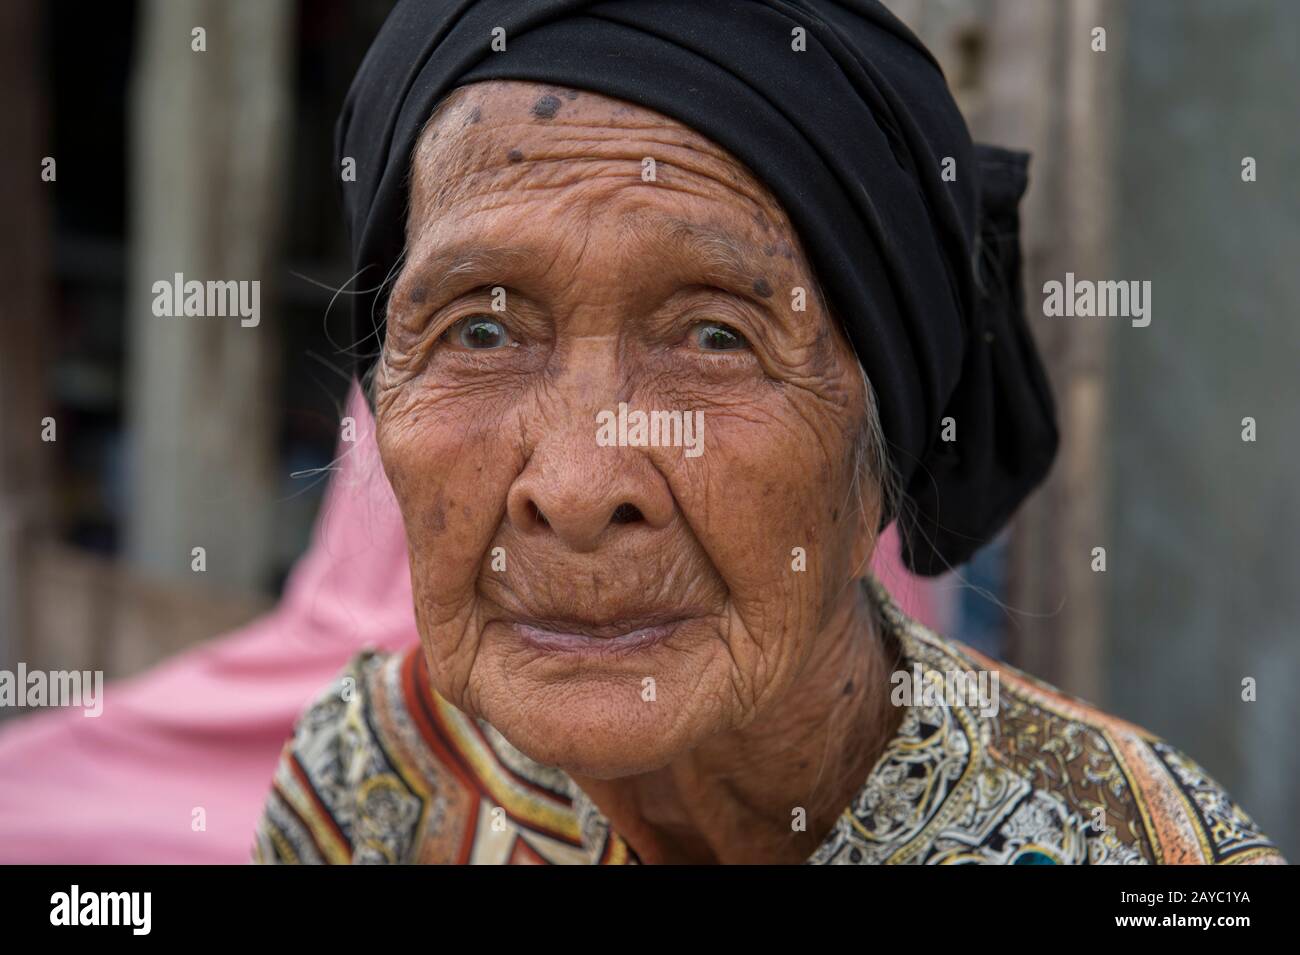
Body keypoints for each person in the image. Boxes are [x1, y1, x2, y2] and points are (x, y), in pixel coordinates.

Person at [252, 0, 1283, 865]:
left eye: (714, 338)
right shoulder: (375, 777)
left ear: (876, 448)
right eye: (479, 329)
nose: (572, 486)